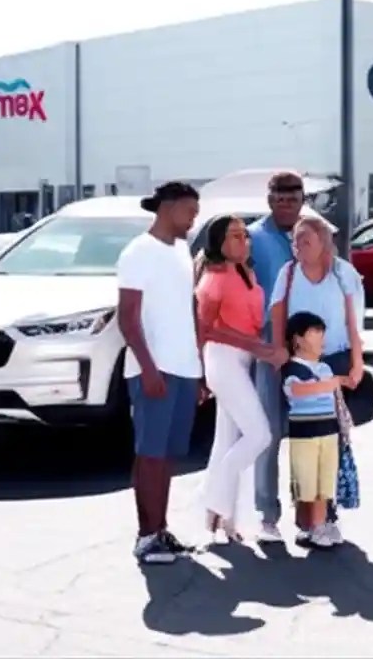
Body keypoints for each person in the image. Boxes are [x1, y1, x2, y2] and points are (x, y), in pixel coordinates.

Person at [116, 181, 202, 565]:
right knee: (149, 454)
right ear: (167, 208)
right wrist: (148, 369)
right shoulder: (138, 252)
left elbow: (188, 312)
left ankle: (161, 531)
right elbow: (127, 319)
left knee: (167, 456)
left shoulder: (183, 250)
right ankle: (146, 536)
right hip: (154, 370)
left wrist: (198, 371)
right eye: (190, 211)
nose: (193, 219)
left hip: (184, 369)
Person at [269, 214, 365, 545]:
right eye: (295, 241)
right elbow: (277, 313)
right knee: (304, 441)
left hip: (335, 356)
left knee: (332, 440)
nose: (298, 247)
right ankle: (306, 521)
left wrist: (357, 362)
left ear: (323, 242)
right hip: (300, 361)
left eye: (305, 241)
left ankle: (326, 516)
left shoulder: (343, 274)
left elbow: (354, 322)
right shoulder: (289, 273)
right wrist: (279, 351)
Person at [195, 215, 287, 545]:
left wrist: (258, 348)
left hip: (241, 359)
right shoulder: (215, 277)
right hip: (222, 359)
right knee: (260, 434)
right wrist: (259, 348)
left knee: (227, 438)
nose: (243, 241)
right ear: (219, 243)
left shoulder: (245, 271)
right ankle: (212, 498)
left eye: (245, 235)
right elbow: (206, 329)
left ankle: (223, 522)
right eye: (234, 237)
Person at [249, 171, 307, 543]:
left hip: (311, 345)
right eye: (279, 199)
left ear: (303, 199)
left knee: (310, 432)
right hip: (268, 344)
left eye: (293, 198)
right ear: (269, 200)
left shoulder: (318, 232)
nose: (286, 205)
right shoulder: (252, 238)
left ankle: (314, 514)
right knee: (268, 432)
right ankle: (267, 514)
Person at [280, 311, 351, 549]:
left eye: (322, 332)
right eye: (315, 332)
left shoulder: (325, 368)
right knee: (306, 483)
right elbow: (296, 391)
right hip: (304, 436)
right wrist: (327, 385)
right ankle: (311, 526)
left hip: (328, 432)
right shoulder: (293, 369)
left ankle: (321, 525)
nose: (321, 338)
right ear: (297, 339)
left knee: (324, 482)